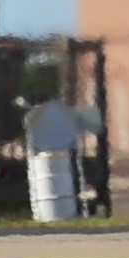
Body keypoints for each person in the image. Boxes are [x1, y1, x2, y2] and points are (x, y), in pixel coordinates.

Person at [22, 81, 100, 224]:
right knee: (67, 178)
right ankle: (64, 210)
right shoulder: (48, 115)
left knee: (67, 180)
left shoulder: (38, 116)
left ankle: (63, 210)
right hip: (60, 155)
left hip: (59, 157)